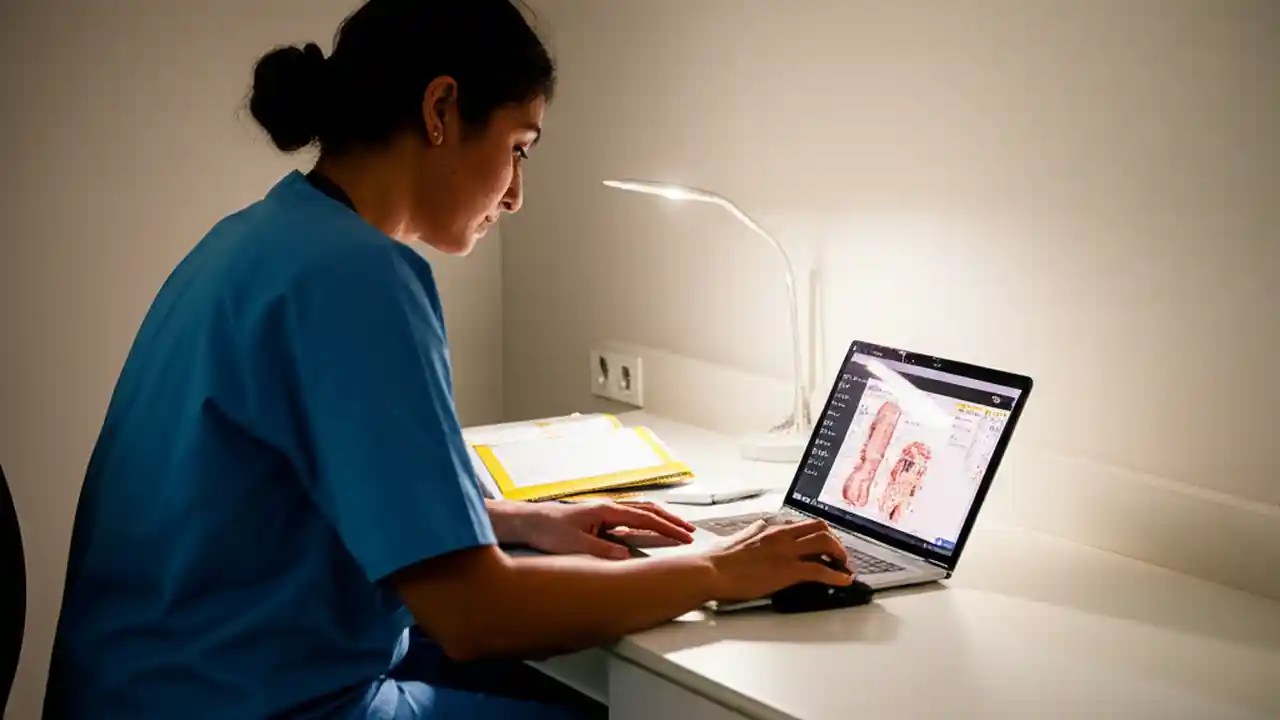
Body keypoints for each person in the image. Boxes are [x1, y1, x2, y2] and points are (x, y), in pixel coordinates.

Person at [42, 1, 855, 718]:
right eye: (520, 147)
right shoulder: (358, 277)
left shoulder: (256, 241)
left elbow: (300, 496)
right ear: (441, 108)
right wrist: (719, 568)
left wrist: (515, 519)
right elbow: (476, 614)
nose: (516, 194)